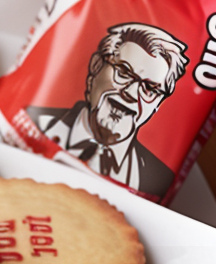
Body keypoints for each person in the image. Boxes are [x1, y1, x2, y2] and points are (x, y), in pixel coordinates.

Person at [26, 22, 189, 197]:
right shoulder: (31, 122)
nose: (132, 93)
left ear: (158, 103)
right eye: (124, 72)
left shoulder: (157, 181)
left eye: (150, 89)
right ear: (96, 65)